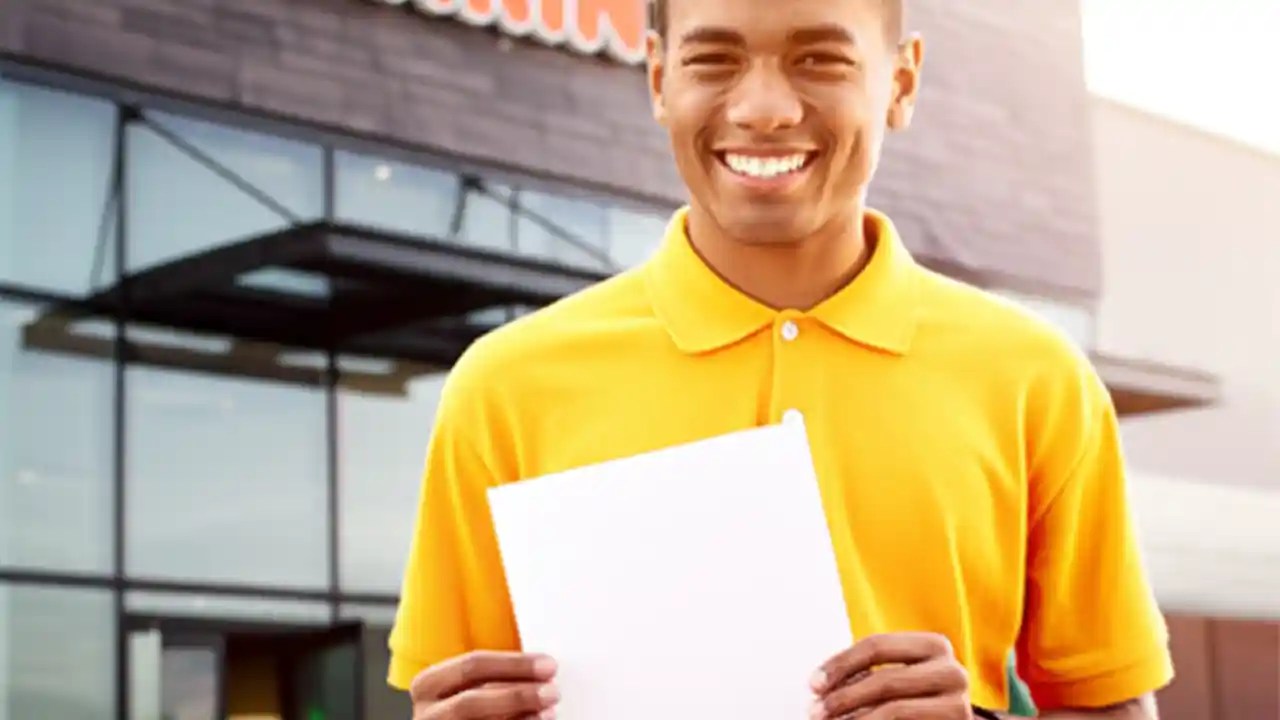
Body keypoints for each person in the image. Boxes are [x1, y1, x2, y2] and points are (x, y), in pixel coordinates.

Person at [386, 0, 1174, 717]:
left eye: (819, 59)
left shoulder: (1034, 379)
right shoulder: (508, 387)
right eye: (714, 60)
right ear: (659, 79)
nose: (763, 108)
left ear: (901, 83)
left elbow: (1110, 704)